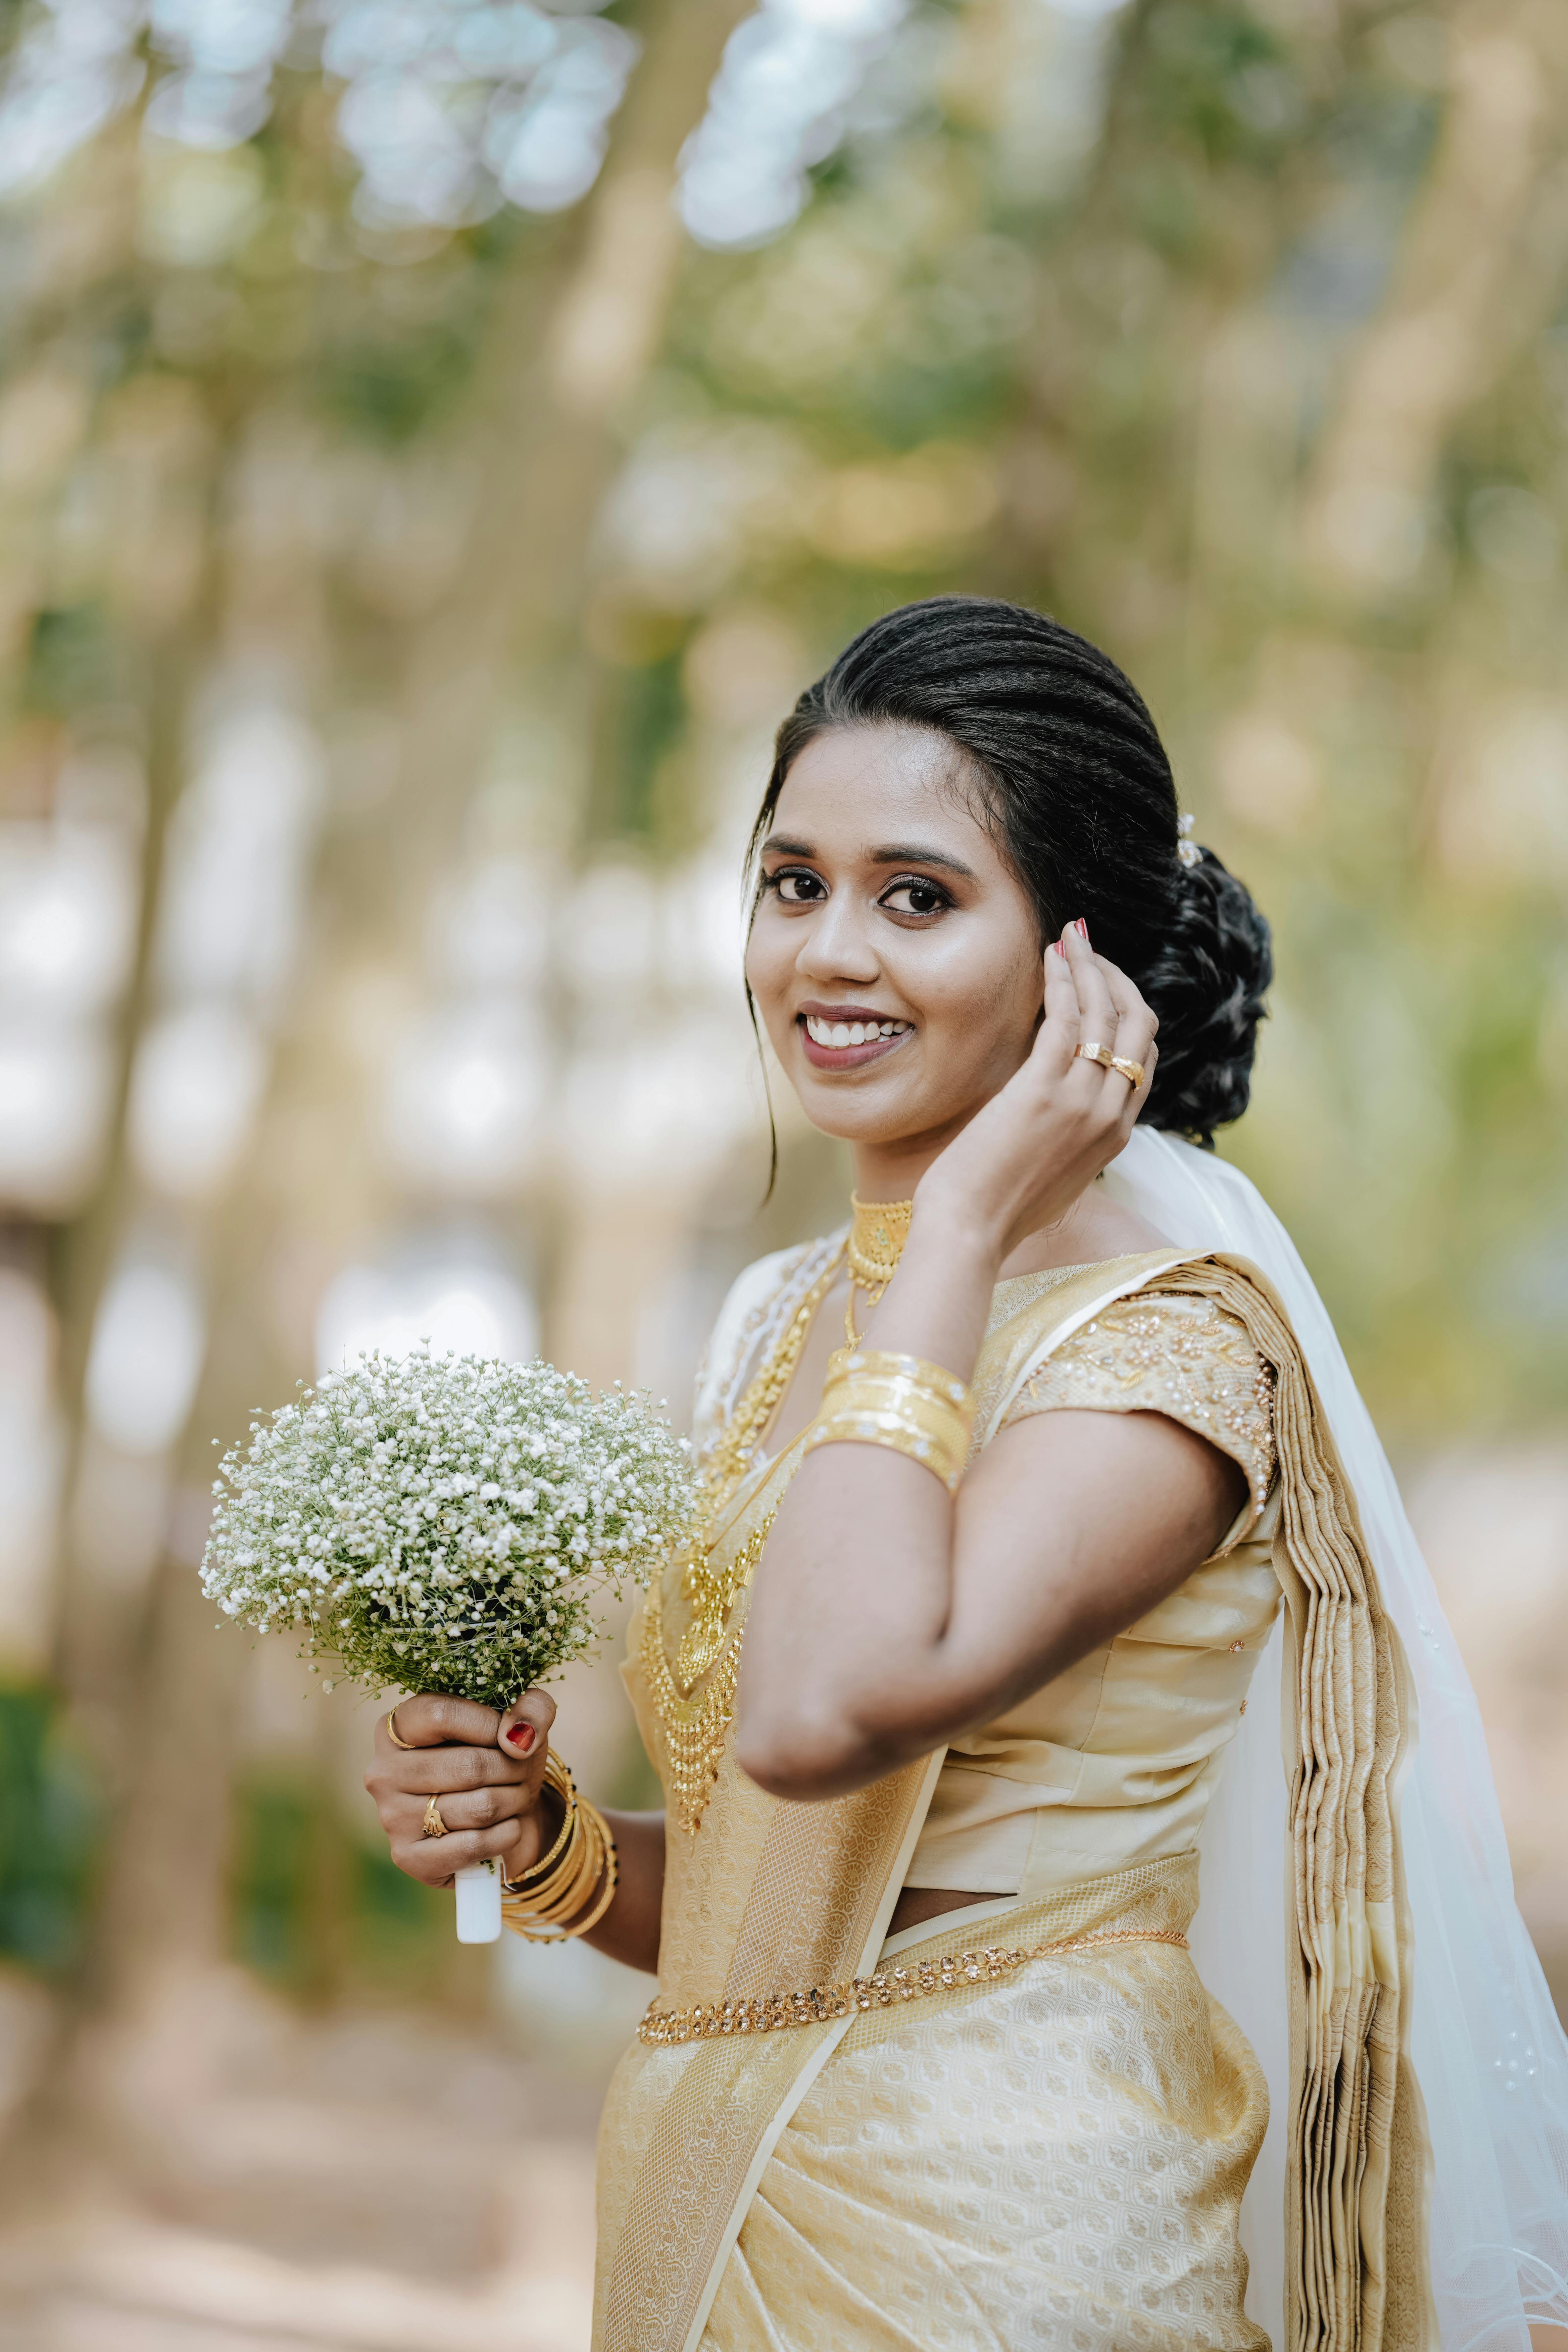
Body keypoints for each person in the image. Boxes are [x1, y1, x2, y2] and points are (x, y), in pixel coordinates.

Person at [365, 599, 1568, 2352]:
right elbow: (782, 1898)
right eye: (793, 884)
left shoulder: (1169, 1356)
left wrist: (965, 1220)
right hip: (719, 2202)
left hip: (1014, 2236)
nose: (829, 954)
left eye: (916, 896)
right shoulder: (785, 1316)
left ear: (1078, 963)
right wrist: (546, 1845)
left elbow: (826, 1708)